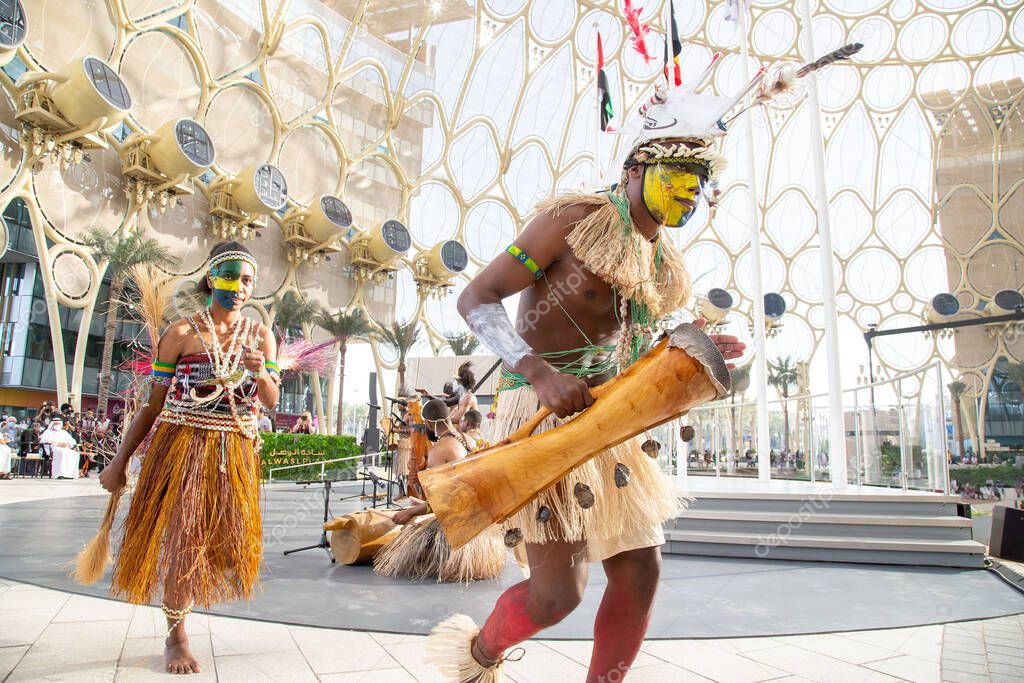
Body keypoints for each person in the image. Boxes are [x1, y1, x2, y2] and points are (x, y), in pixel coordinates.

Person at [427, 81, 746, 682]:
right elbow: (477, 298)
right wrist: (539, 373)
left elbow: (627, 349)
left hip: (611, 417)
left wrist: (693, 348)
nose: (691, 189)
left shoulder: (660, 258)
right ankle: (479, 658)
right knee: (557, 597)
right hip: (544, 416)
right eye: (680, 170)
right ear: (636, 167)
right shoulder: (571, 220)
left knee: (642, 569)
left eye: (701, 179)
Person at [98, 241, 279, 675]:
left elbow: (270, 401)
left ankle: (184, 614)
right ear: (212, 278)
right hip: (182, 448)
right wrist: (119, 461)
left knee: (216, 544)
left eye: (247, 280)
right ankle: (176, 635)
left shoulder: (260, 335)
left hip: (234, 452)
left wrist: (258, 371)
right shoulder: (180, 333)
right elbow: (152, 404)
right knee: (183, 541)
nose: (239, 287)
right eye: (231, 276)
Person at [375, 399, 506, 583]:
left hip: (461, 528)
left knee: (404, 540)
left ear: (428, 423)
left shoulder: (438, 451)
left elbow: (443, 502)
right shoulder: (469, 439)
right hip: (481, 521)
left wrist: (410, 512)